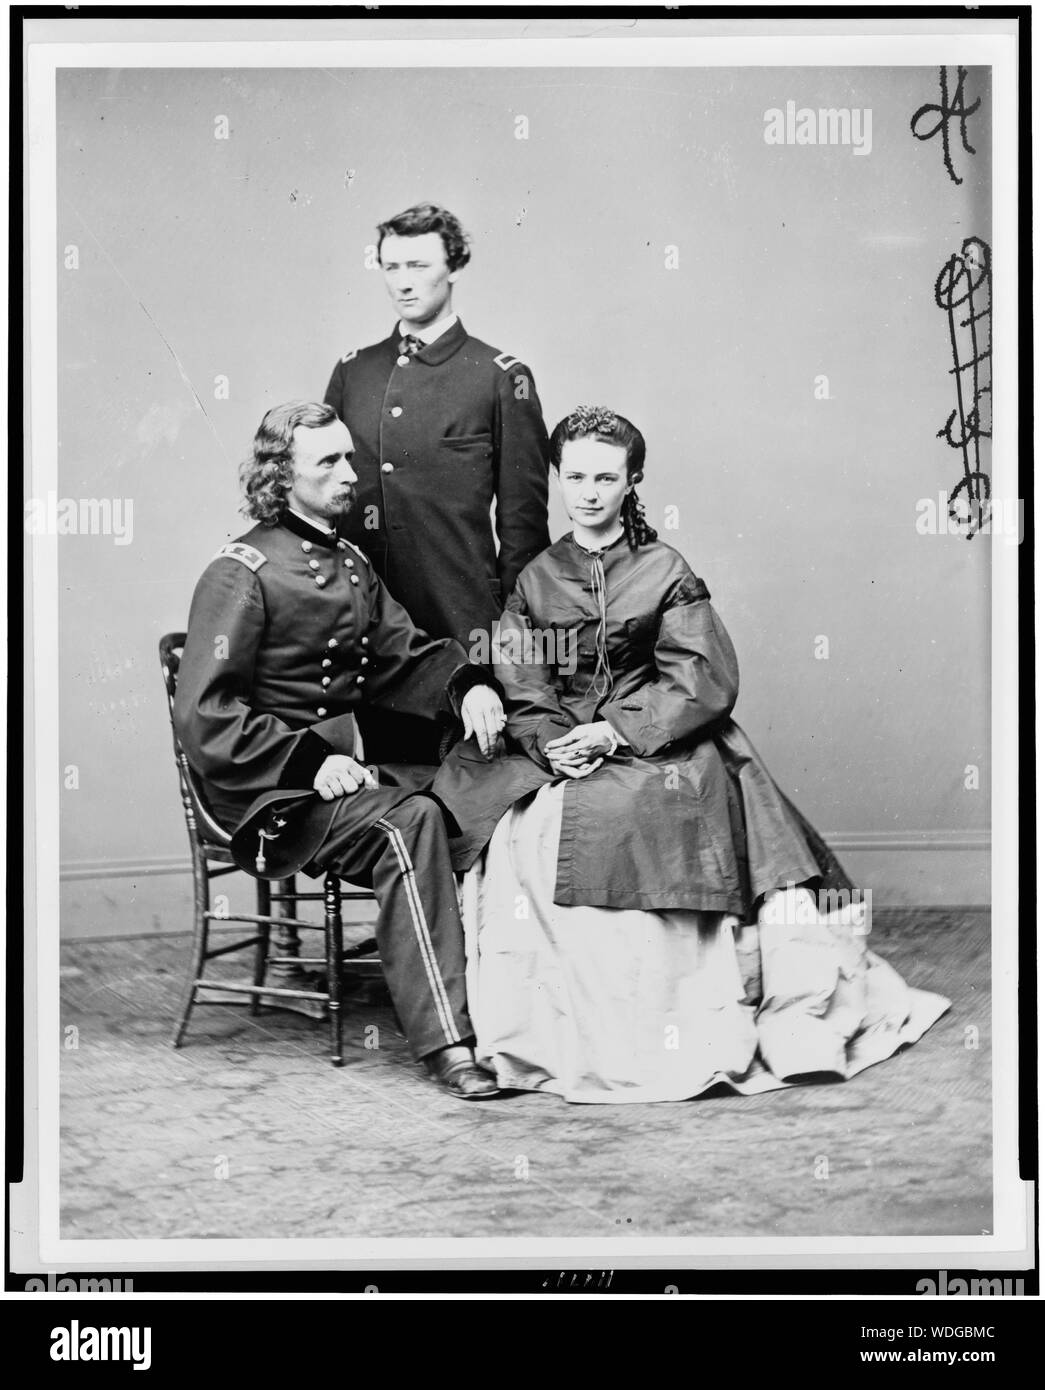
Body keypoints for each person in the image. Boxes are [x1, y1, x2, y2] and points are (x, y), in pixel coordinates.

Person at [432, 405, 951, 1103]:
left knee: (652, 808)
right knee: (522, 827)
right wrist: (554, 741)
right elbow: (522, 676)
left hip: (659, 736)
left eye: (605, 478)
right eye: (575, 477)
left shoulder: (664, 568)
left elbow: (699, 676)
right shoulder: (536, 578)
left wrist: (614, 733)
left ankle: (672, 1023)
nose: (589, 493)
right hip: (556, 743)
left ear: (632, 481)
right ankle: (565, 1033)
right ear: (557, 478)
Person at [173, 400, 508, 1100]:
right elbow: (206, 714)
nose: (350, 474)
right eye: (327, 462)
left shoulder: (349, 561)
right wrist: (307, 761)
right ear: (280, 475)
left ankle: (509, 1011)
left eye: (349, 457)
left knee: (484, 785)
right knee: (409, 821)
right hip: (269, 793)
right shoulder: (241, 571)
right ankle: (448, 1042)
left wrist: (468, 684)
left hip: (340, 780)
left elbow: (403, 656)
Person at [323, 202, 551, 763]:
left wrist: (514, 638)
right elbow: (323, 503)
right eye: (391, 266)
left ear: (454, 267)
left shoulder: (500, 377)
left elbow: (523, 527)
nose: (403, 282)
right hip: (371, 629)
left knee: (476, 786)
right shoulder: (354, 372)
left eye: (419, 266)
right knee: (389, 785)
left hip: (465, 625)